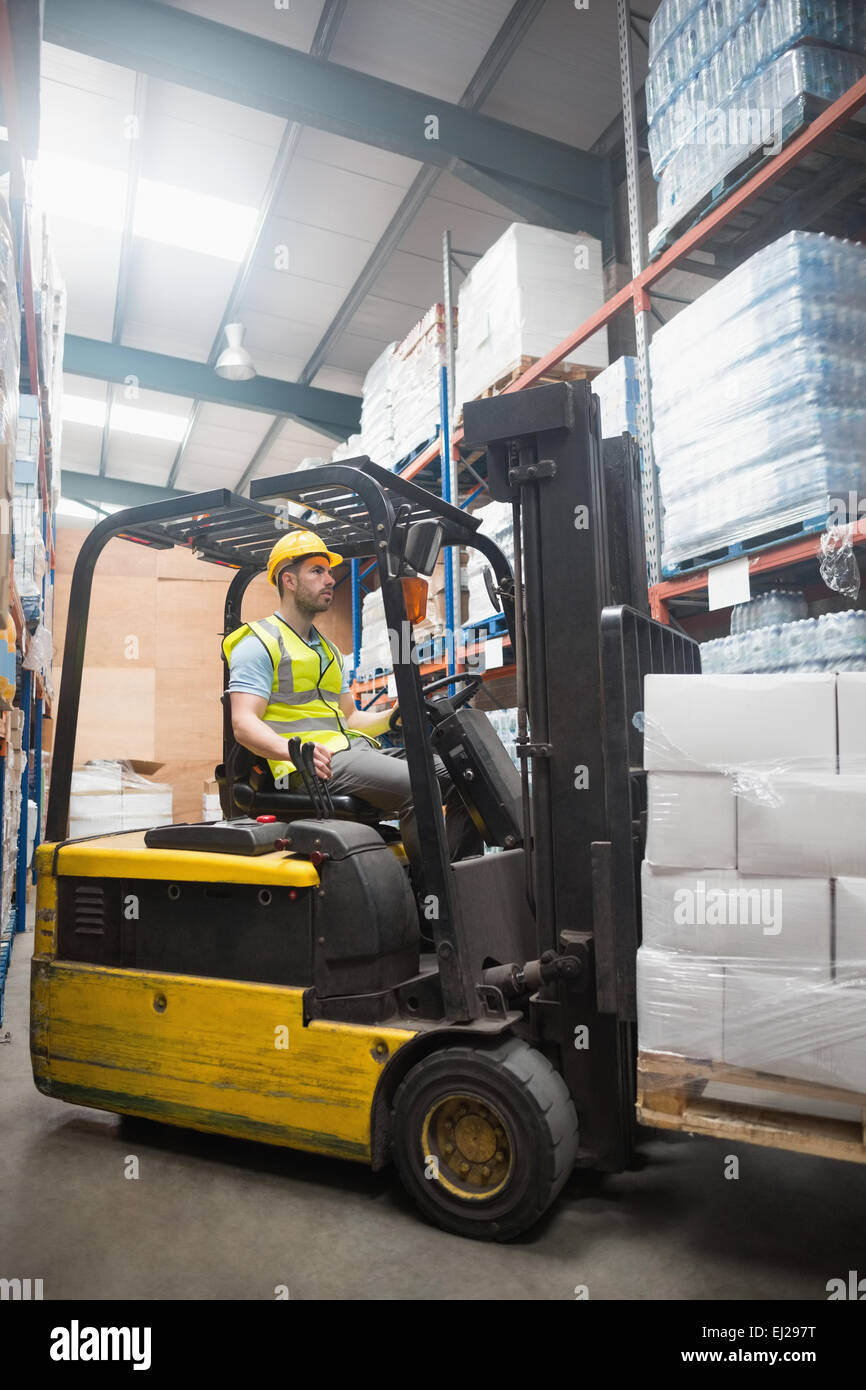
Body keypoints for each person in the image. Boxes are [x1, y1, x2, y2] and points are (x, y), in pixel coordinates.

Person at [223, 529, 481, 880]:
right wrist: (293, 751)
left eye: (329, 572)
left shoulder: (327, 648)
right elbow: (243, 723)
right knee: (420, 786)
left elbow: (350, 718)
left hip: (349, 751)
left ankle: (466, 882)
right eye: (317, 571)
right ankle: (433, 899)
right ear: (289, 580)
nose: (330, 579)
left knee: (466, 775)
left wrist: (391, 719)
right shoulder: (258, 643)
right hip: (304, 768)